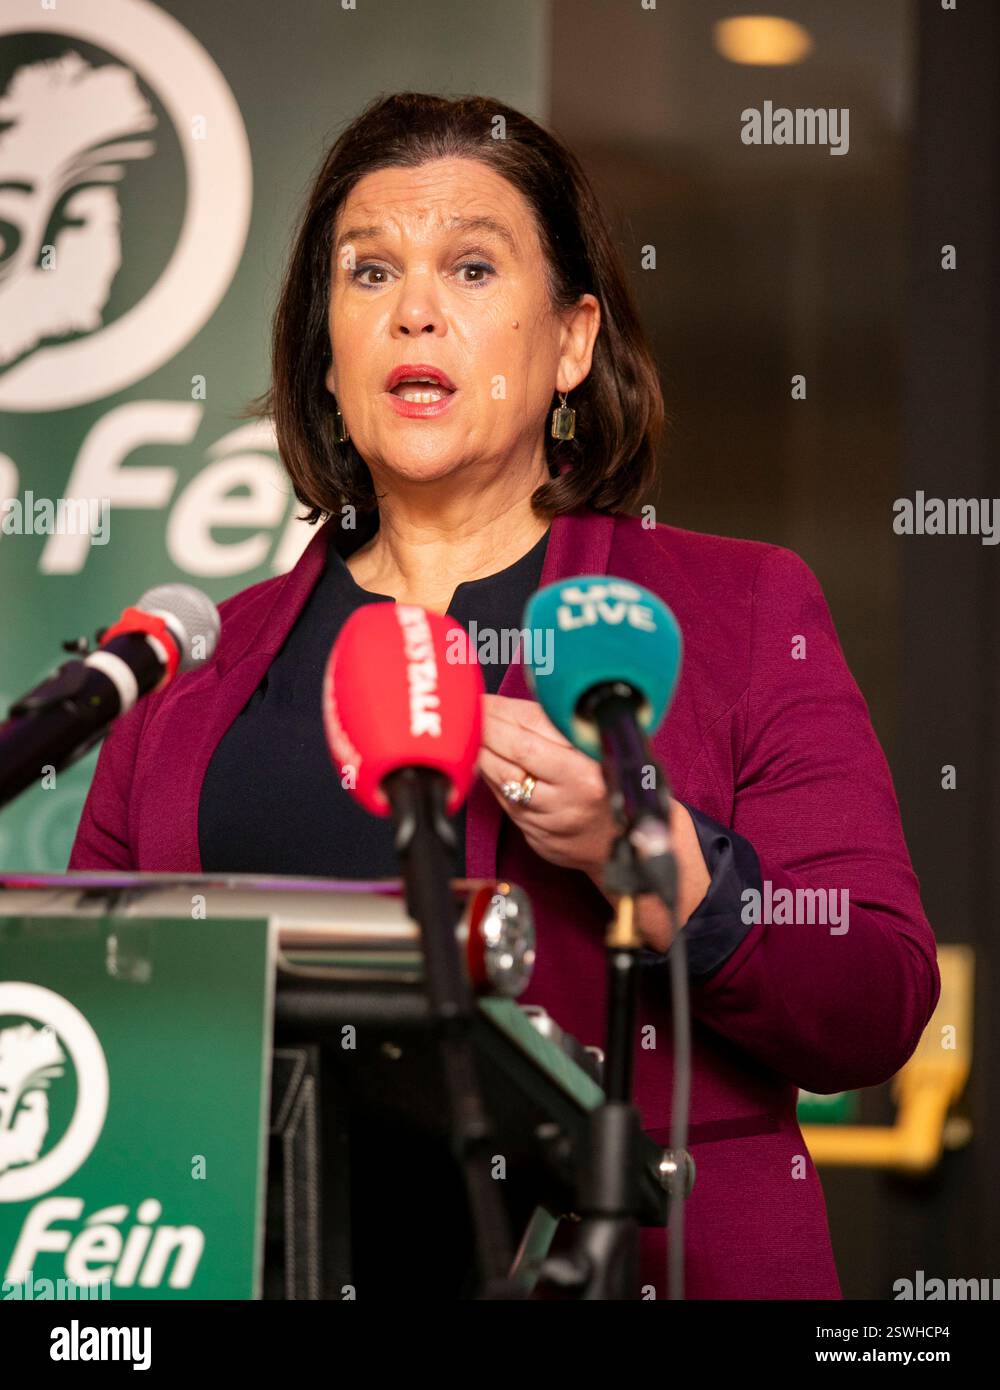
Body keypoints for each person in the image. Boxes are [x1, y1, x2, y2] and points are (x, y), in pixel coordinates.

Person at [69, 91, 940, 1300]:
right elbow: (96, 1031)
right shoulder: (195, 670)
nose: (414, 308)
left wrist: (654, 857)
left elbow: (876, 996)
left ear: (573, 341)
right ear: (326, 348)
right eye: (367, 273)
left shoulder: (736, 609)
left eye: (471, 266)